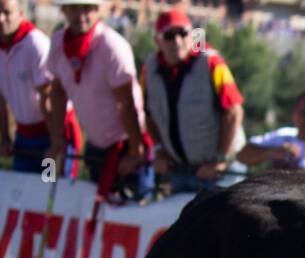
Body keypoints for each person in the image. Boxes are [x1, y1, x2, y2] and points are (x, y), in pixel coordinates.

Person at [46, 0, 152, 200]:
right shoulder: (58, 43)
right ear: (64, 11)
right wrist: (56, 139)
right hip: (96, 147)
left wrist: (135, 151)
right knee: (94, 210)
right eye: (74, 9)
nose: (81, 15)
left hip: (125, 146)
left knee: (133, 213)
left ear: (97, 10)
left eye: (87, 8)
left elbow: (127, 103)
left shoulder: (111, 46)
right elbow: (57, 91)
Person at [142, 8, 245, 193]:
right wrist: (158, 150)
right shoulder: (149, 70)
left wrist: (221, 159)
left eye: (182, 33)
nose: (177, 41)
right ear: (157, 40)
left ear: (193, 35)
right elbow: (147, 113)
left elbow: (234, 112)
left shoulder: (212, 63)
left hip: (219, 173)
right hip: (180, 171)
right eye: (169, 36)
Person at [0, 0, 80, 175]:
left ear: (20, 13)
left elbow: (49, 97)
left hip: (50, 132)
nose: (1, 18)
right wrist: (4, 138)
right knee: (24, 194)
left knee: (50, 192)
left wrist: (55, 144)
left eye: (6, 12)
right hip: (25, 136)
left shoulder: (35, 45)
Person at [236, 89, 305, 174]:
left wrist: (269, 170)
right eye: (304, 113)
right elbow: (242, 155)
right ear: (294, 114)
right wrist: (271, 152)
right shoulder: (284, 134)